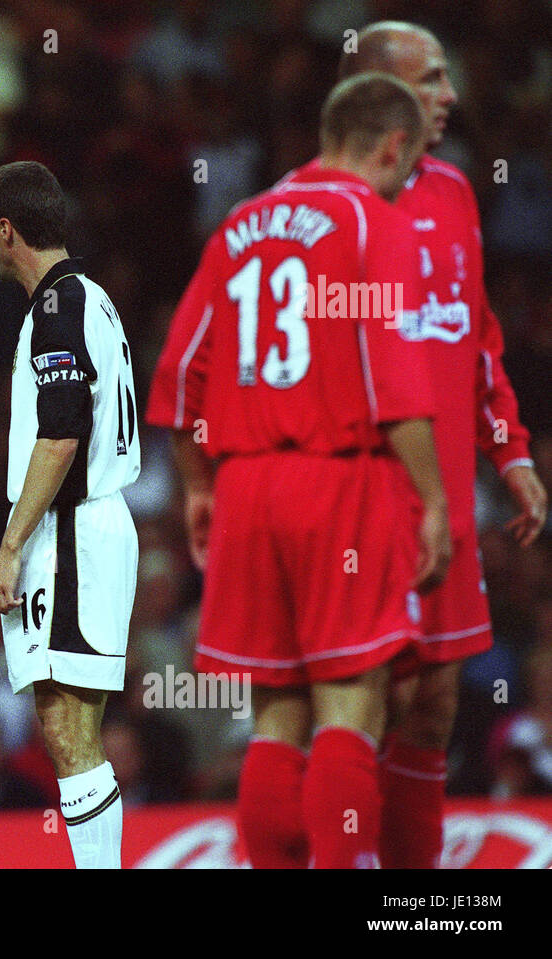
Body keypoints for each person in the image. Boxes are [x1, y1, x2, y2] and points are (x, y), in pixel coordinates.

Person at [146, 73, 450, 868]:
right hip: (338, 479)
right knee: (351, 707)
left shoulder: (238, 224)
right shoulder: (370, 221)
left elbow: (178, 381)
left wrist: (201, 486)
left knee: (277, 718)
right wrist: (437, 503)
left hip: (246, 487)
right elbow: (395, 384)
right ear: (392, 146)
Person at [336, 21, 548, 870]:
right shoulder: (320, 207)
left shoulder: (456, 191)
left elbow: (478, 333)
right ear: (377, 93)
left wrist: (514, 450)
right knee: (359, 705)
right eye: (430, 80)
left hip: (448, 502)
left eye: (448, 78)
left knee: (433, 705)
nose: (450, 96)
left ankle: (412, 898)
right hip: (358, 498)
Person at [0, 160, 140, 869]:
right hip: (93, 526)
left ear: (6, 230)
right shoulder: (88, 299)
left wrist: (11, 546)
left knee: (69, 727)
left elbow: (62, 431)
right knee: (70, 725)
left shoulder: (55, 306)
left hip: (70, 531)